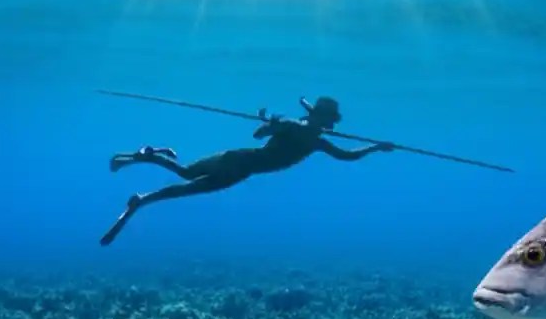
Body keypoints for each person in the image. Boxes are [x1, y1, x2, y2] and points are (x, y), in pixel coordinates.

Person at [100, 96, 392, 246]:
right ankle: (142, 195)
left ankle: (146, 160)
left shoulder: (313, 138)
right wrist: (274, 126)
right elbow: (259, 135)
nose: (329, 126)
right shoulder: (308, 136)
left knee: (186, 174)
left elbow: (347, 156)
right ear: (321, 119)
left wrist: (376, 147)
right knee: (185, 185)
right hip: (242, 167)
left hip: (237, 158)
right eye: (328, 121)